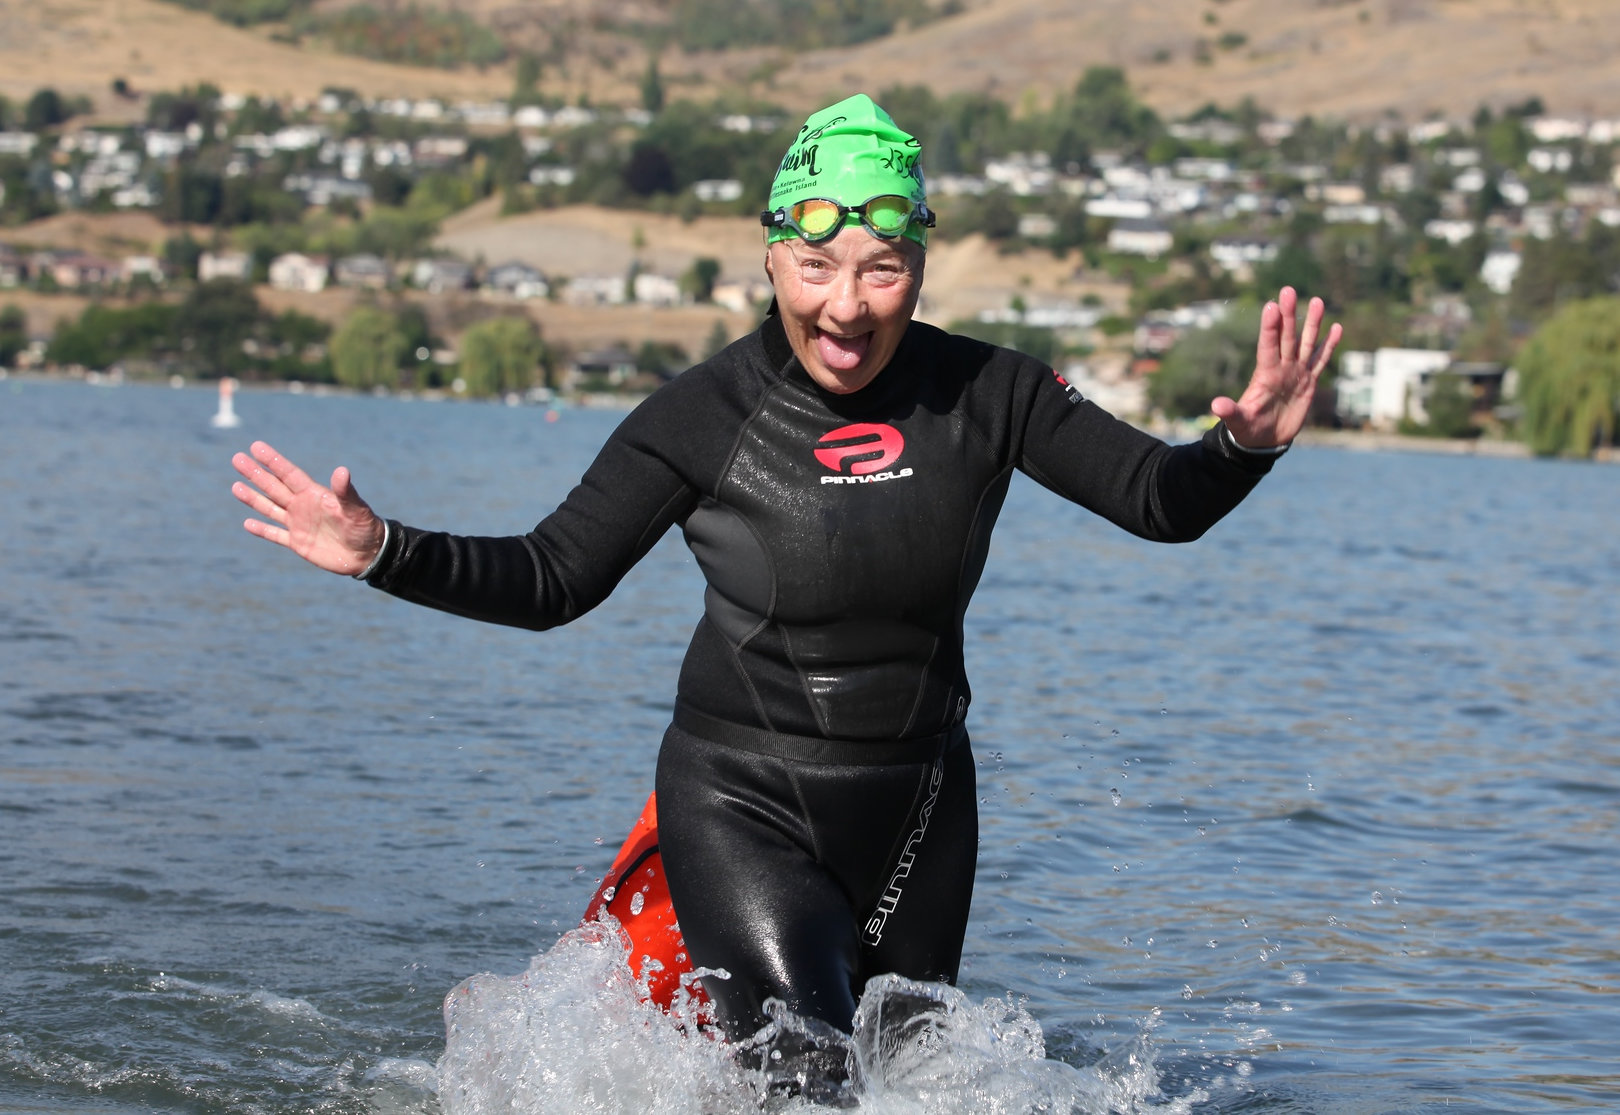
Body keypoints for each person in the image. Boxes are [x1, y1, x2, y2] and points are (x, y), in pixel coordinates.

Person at [231, 93, 1340, 1049]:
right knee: (806, 1075)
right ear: (769, 253)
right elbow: (553, 576)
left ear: (919, 263)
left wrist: (1244, 448)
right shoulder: (701, 415)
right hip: (741, 803)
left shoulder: (988, 391)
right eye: (816, 267)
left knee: (920, 1081)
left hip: (920, 809)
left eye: (881, 269)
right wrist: (385, 550)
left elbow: (1159, 500)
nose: (846, 306)